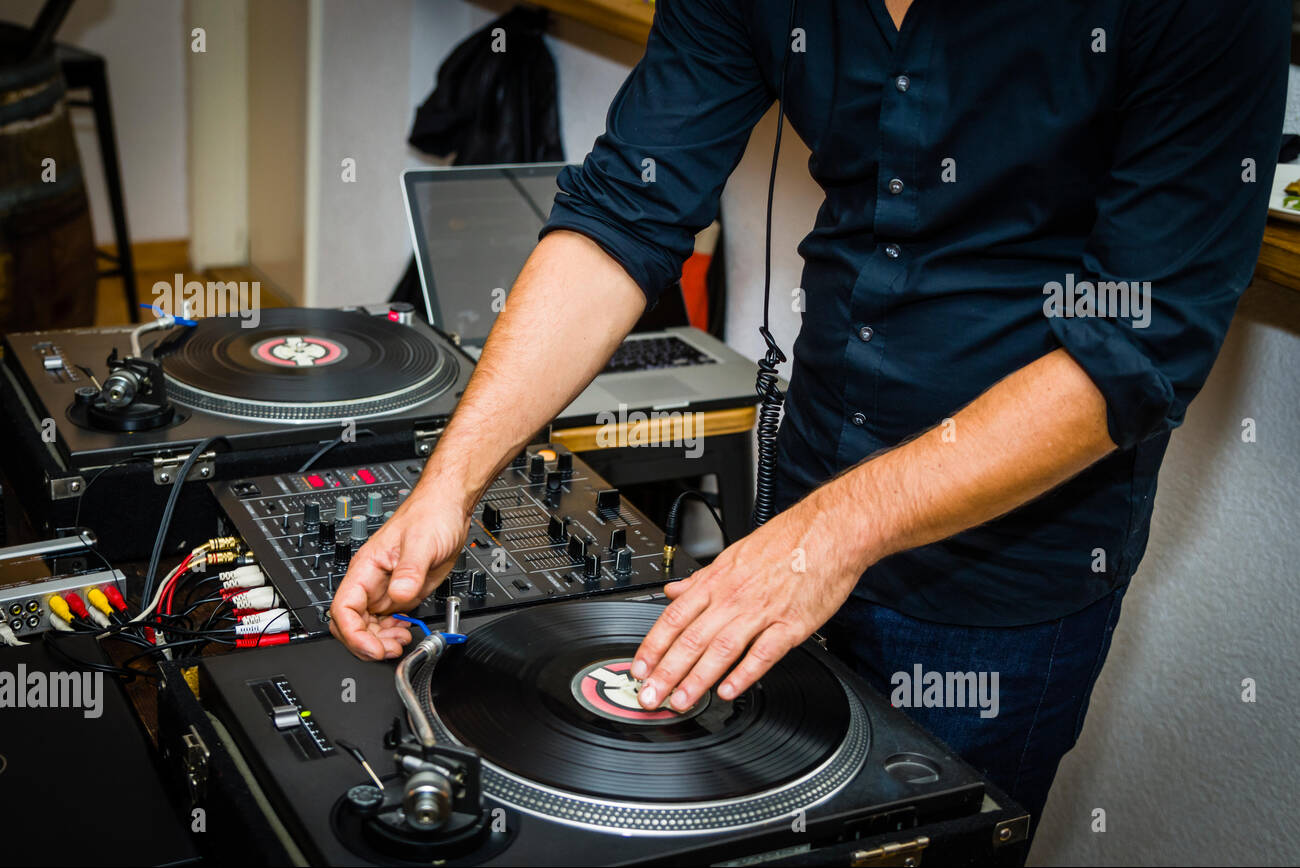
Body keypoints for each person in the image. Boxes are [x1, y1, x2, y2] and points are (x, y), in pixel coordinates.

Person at [331, 0, 1287, 826]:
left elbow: (1134, 348)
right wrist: (451, 482)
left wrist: (831, 535)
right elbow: (628, 208)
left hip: (1001, 580)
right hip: (808, 484)